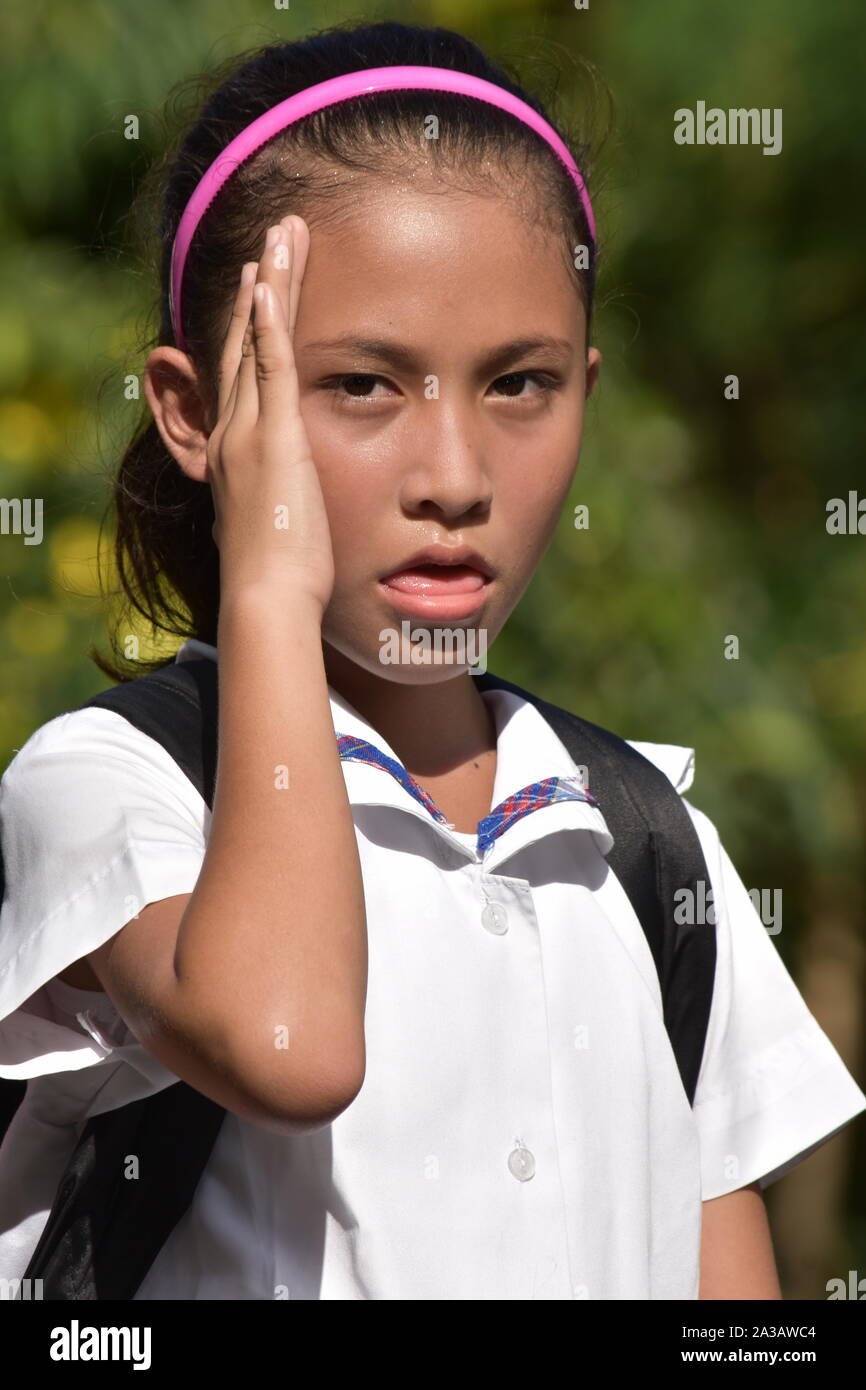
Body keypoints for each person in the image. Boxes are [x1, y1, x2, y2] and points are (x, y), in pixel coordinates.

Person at [0, 20, 863, 1302]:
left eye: (519, 384)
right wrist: (268, 584)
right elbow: (289, 1046)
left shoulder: (642, 839)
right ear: (194, 413)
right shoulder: (118, 789)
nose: (454, 477)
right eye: (361, 384)